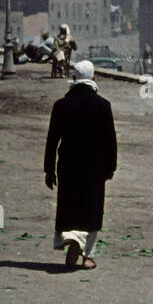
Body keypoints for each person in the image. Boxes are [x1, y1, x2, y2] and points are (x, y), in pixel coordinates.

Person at [44, 60, 117, 270]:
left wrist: (49, 169)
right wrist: (110, 167)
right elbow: (110, 141)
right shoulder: (103, 105)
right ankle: (88, 256)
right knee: (92, 208)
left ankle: (70, 238)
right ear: (94, 78)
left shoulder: (61, 105)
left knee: (69, 205)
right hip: (95, 165)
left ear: (74, 79)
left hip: (68, 163)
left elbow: (52, 140)